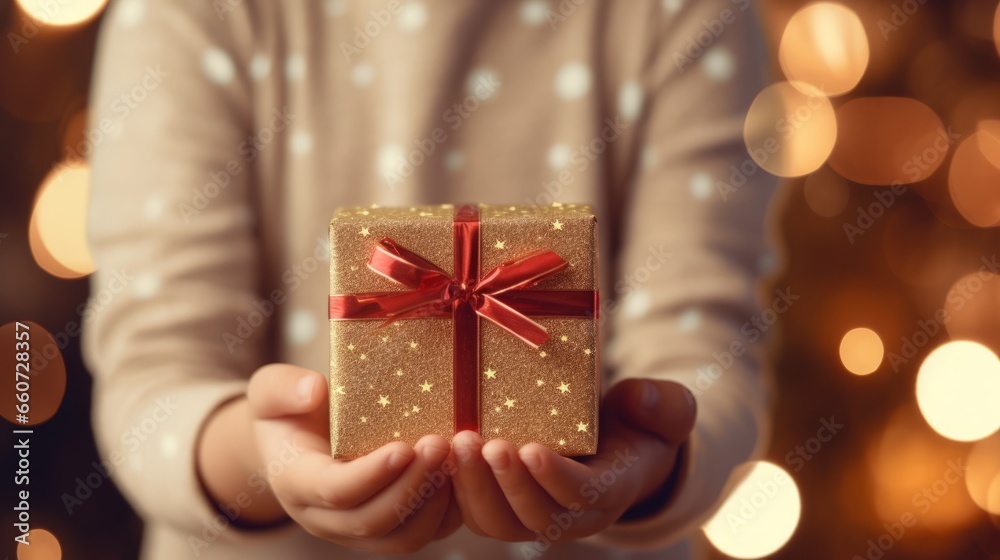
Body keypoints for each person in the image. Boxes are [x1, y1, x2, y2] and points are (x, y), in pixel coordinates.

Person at [84, 0, 777, 558]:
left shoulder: (689, 12)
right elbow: (155, 377)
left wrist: (651, 468)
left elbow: (706, 348)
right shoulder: (185, 13)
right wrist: (260, 458)